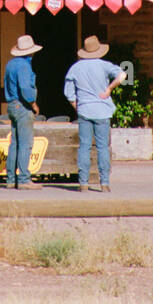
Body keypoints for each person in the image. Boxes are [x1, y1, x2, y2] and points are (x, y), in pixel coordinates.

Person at [63, 36, 128, 192]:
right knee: (102, 147)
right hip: (102, 110)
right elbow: (123, 76)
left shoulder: (75, 68)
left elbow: (68, 93)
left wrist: (76, 106)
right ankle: (104, 182)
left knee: (84, 147)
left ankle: (83, 182)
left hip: (84, 110)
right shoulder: (104, 65)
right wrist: (109, 89)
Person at [3, 34, 42, 189]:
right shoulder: (24, 66)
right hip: (22, 106)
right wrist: (34, 104)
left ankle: (11, 179)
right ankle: (25, 179)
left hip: (12, 104)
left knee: (14, 143)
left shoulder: (10, 64)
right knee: (25, 143)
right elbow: (26, 88)